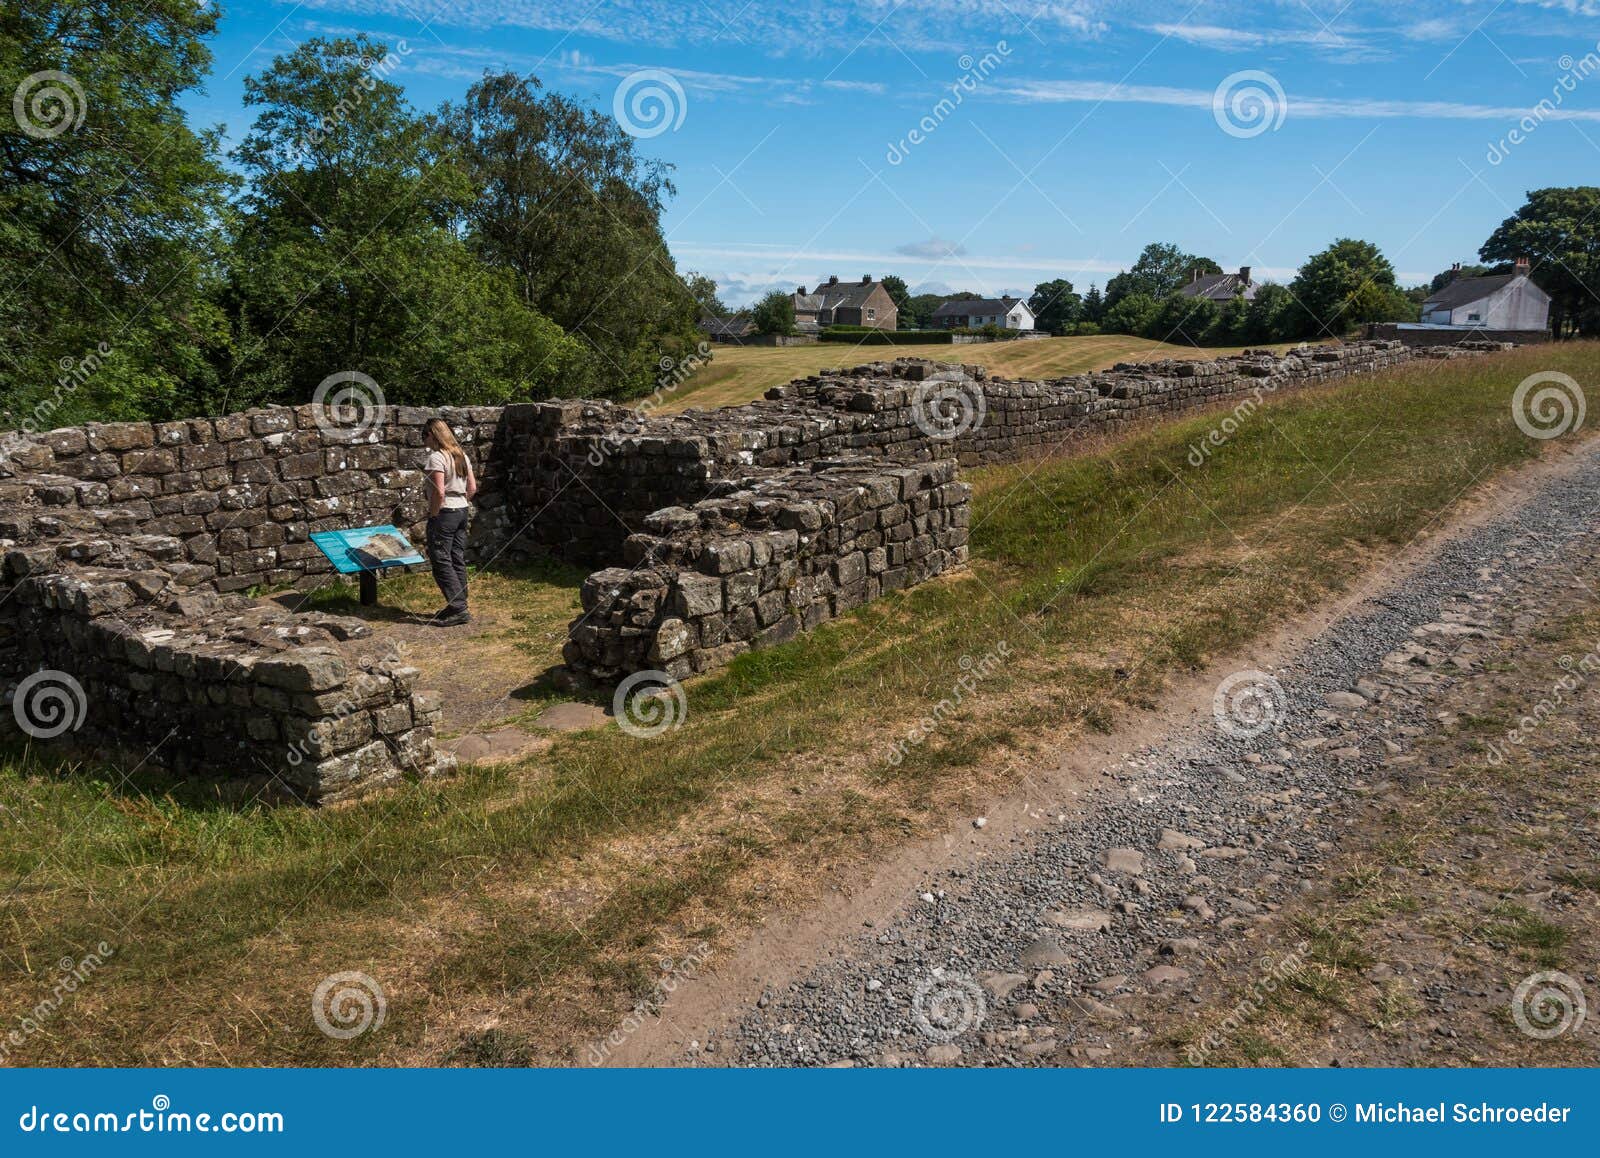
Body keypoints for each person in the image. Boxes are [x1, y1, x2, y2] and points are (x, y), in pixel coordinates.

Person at [423, 418, 477, 625]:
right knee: (456, 557)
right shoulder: (461, 455)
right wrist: (461, 502)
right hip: (462, 509)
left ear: (433, 435)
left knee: (441, 558)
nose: (424, 439)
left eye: (425, 435)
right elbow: (472, 488)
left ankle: (458, 607)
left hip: (445, 512)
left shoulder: (436, 458)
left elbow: (438, 491)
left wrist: (434, 513)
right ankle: (459, 603)